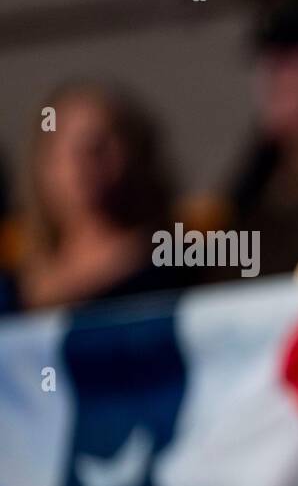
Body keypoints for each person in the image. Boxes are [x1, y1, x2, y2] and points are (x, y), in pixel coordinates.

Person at [3, 82, 176, 313]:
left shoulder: (170, 270)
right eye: (66, 144)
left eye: (100, 144)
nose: (83, 162)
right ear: (41, 164)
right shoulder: (13, 289)